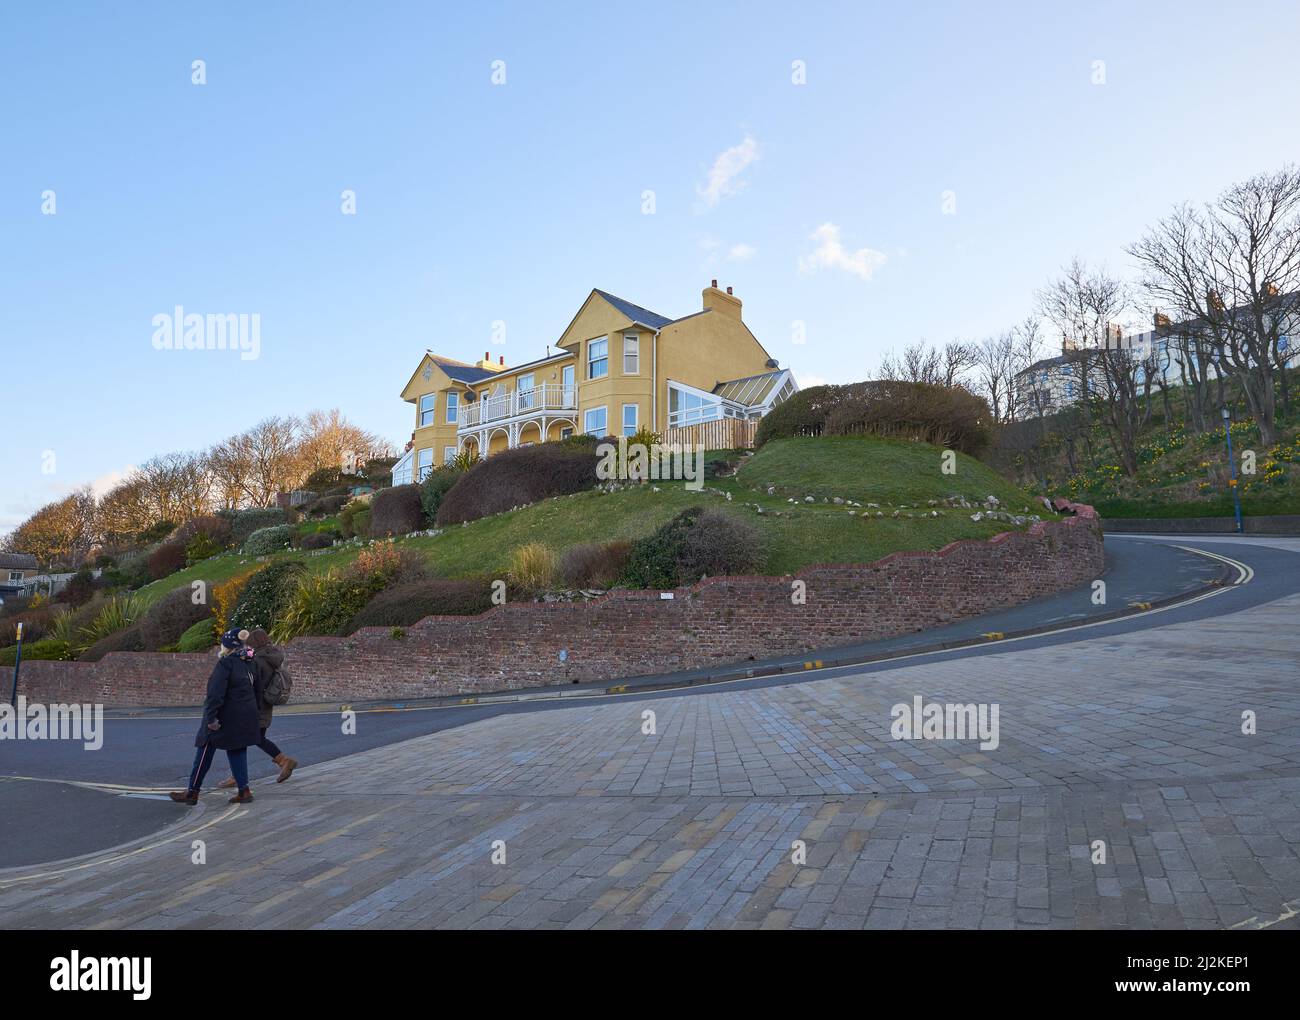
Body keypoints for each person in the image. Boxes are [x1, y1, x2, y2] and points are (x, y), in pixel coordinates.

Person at [170, 628, 260, 805]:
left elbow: (215, 694)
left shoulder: (225, 664)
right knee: (237, 749)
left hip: (223, 717)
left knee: (205, 748)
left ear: (226, 646)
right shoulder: (250, 662)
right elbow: (257, 690)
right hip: (245, 716)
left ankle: (193, 792)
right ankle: (244, 790)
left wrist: (211, 719)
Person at [218, 626, 297, 786]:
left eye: (249, 644)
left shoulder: (258, 661)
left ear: (253, 644)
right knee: (256, 738)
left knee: (239, 741)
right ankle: (283, 761)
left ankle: (238, 776)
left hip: (253, 708)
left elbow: (248, 685)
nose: (247, 647)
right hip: (264, 707)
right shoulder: (271, 657)